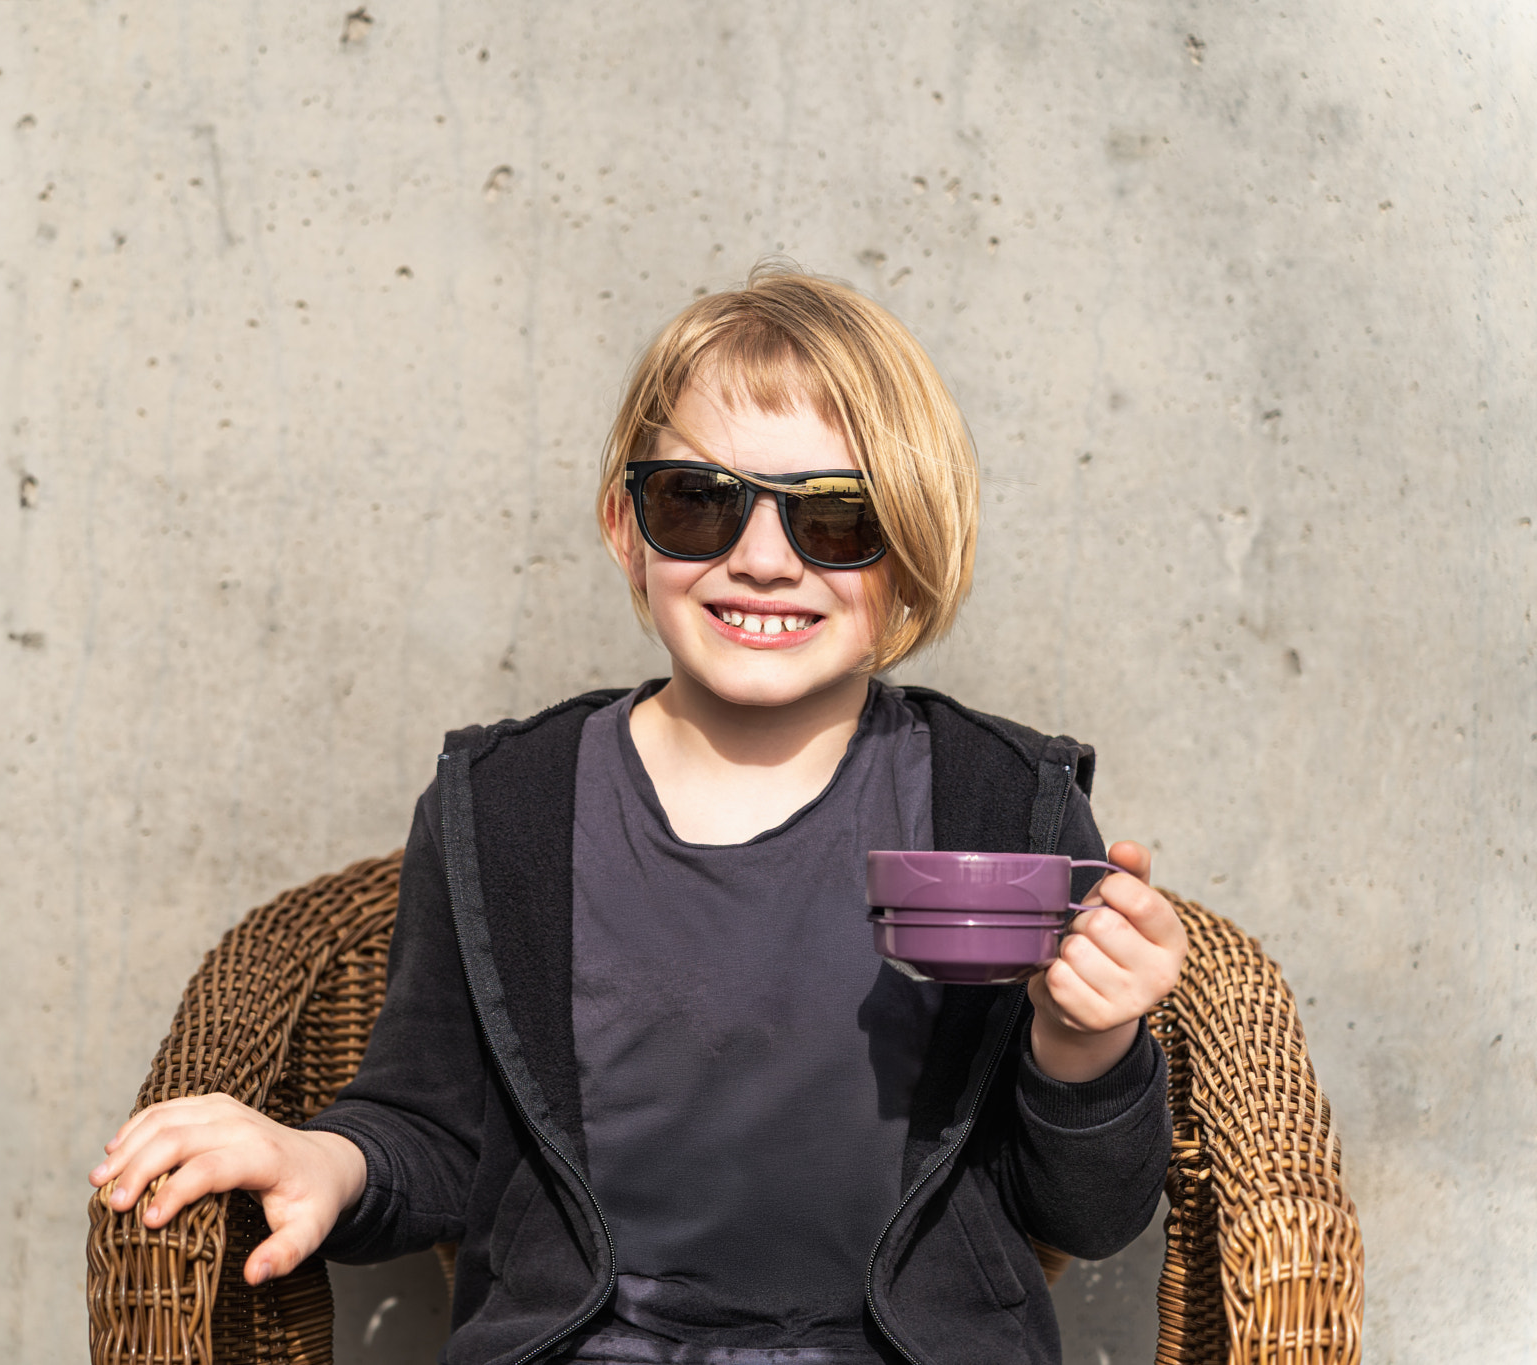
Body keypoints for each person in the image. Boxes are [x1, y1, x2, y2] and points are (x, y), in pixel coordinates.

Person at [91, 264, 1186, 1365]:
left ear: (909, 552)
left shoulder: (999, 808)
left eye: (837, 520)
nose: (761, 561)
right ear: (626, 527)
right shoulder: (506, 808)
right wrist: (318, 1162)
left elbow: (1086, 1216)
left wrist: (1083, 1043)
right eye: (698, 502)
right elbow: (429, 1127)